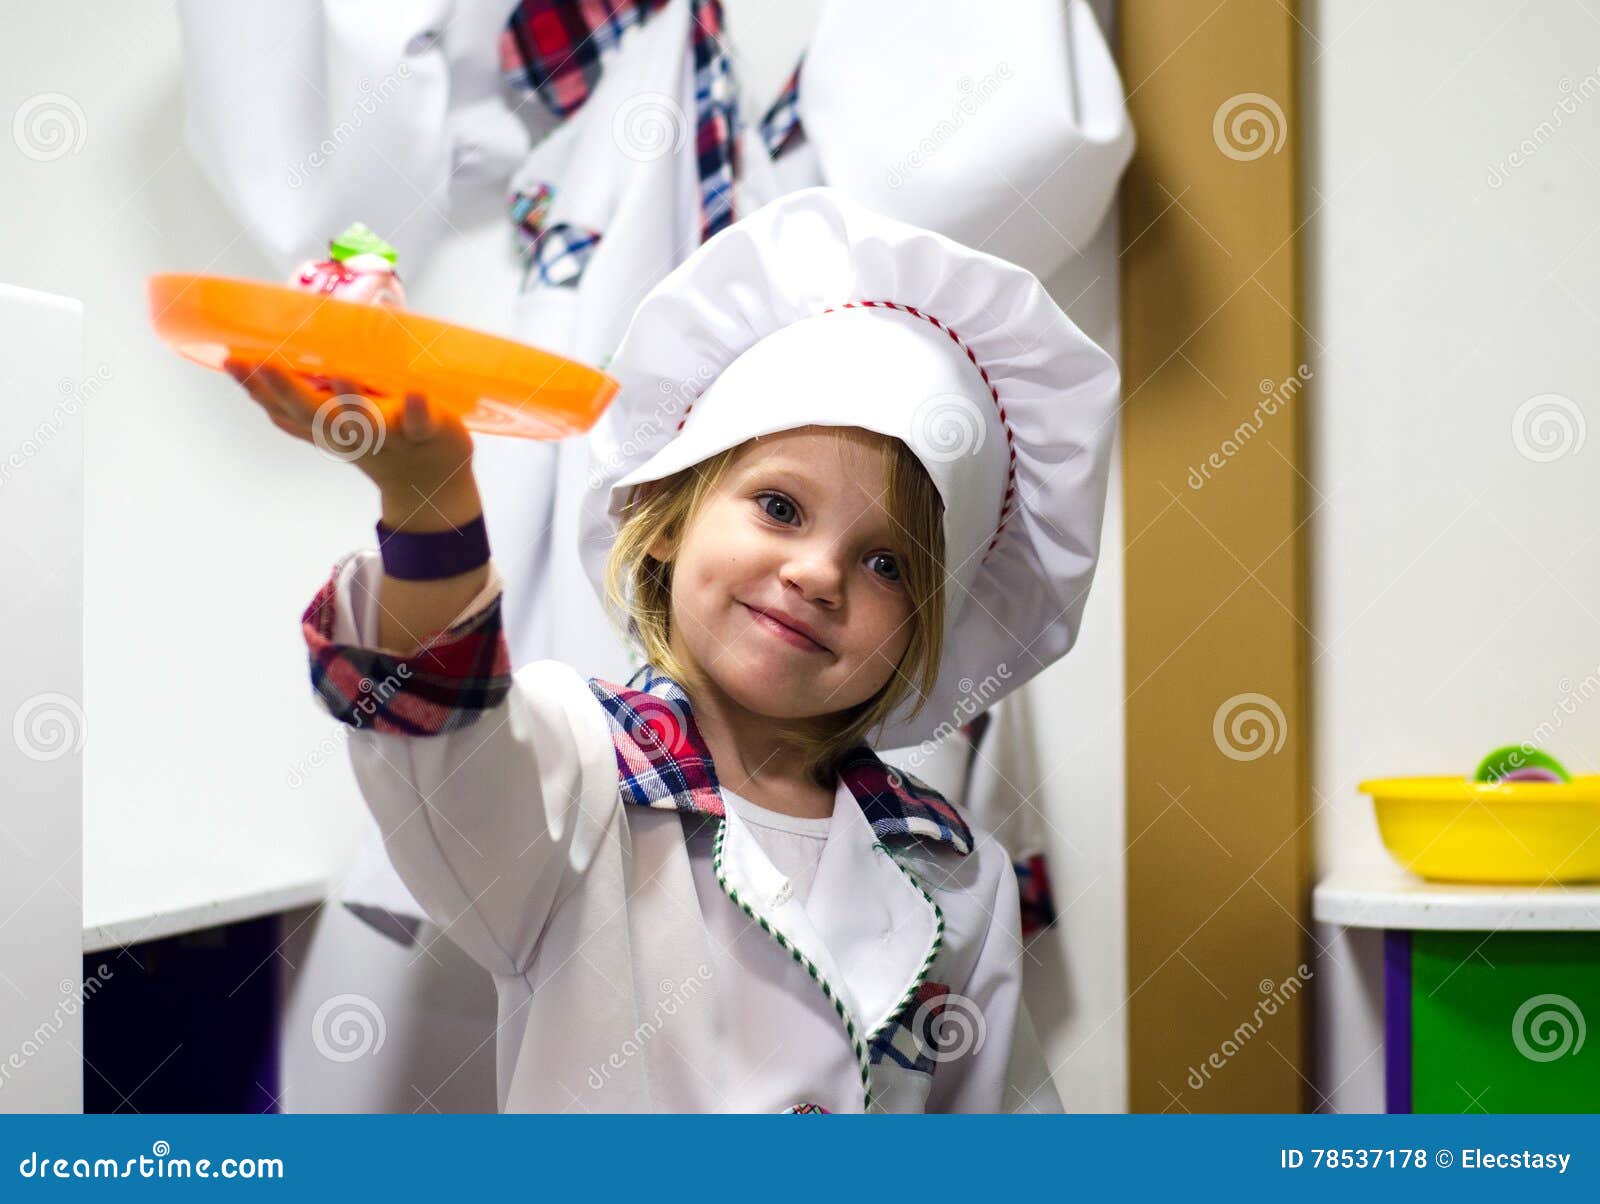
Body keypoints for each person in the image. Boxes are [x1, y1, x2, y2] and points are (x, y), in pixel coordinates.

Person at [226, 186, 1119, 1113]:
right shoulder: (579, 772)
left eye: (887, 562)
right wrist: (429, 498)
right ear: (665, 517)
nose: (818, 574)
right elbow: (439, 729)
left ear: (927, 630)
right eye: (779, 507)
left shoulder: (956, 874)